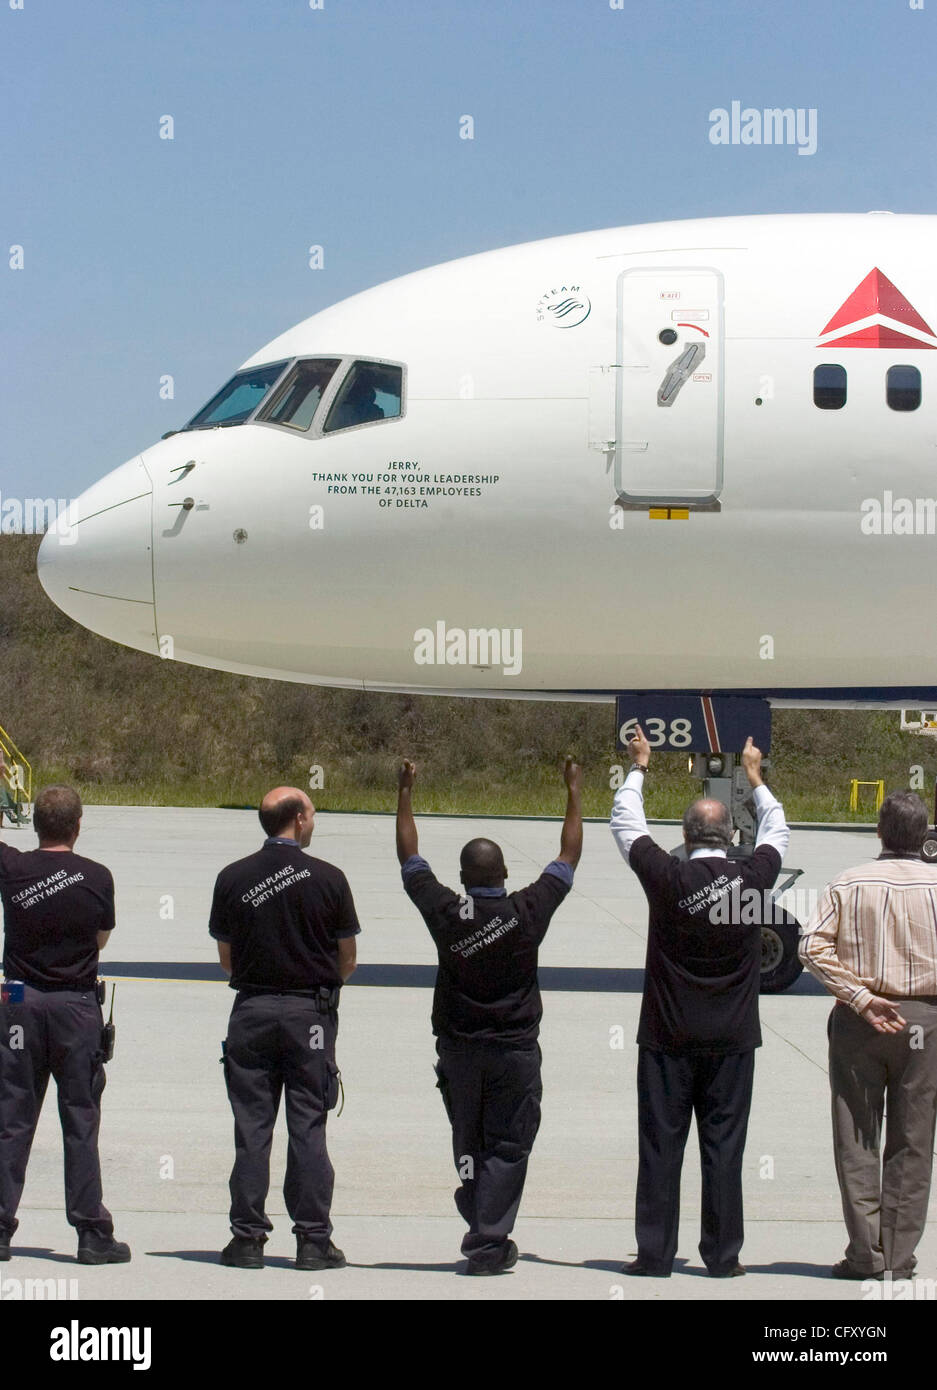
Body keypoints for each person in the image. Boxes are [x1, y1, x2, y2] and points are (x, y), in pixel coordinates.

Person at [610, 726, 789, 1278]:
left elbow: (625, 824)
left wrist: (639, 766)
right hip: (732, 1044)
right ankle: (723, 1257)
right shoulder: (753, 878)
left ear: (685, 836)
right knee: (725, 1152)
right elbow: (777, 832)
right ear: (731, 833)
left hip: (667, 1040)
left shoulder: (667, 876)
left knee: (661, 1150)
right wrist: (755, 778)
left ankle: (656, 1254)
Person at [396, 756, 582, 1274]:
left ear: (461, 878)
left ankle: (480, 1212)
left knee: (468, 1139)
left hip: (459, 1051)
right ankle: (488, 1239)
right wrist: (572, 790)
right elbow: (568, 855)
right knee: (509, 1143)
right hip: (514, 1052)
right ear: (504, 874)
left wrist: (406, 793)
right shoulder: (527, 912)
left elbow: (409, 858)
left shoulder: (447, 914)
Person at [209, 785, 360, 1271]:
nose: (314, 822)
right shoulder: (330, 879)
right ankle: (313, 1241)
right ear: (296, 818)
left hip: (250, 1012)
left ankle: (247, 1239)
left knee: (252, 1128)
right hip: (309, 1017)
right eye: (312, 814)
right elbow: (348, 962)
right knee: (308, 1127)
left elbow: (226, 959)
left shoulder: (232, 877)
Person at [799, 790, 937, 1281]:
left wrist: (858, 996)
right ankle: (898, 1258)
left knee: (856, 1135)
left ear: (879, 831)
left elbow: (810, 947)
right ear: (923, 836)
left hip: (860, 1020)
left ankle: (864, 1254)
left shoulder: (848, 882)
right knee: (913, 1140)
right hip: (924, 1023)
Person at [0, 784, 129, 1264]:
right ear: (77, 826)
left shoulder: (13, 868)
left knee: (12, 1117)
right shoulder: (97, 876)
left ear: (35, 825)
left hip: (18, 1000)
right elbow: (100, 939)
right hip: (75, 1006)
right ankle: (91, 1232)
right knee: (80, 1119)